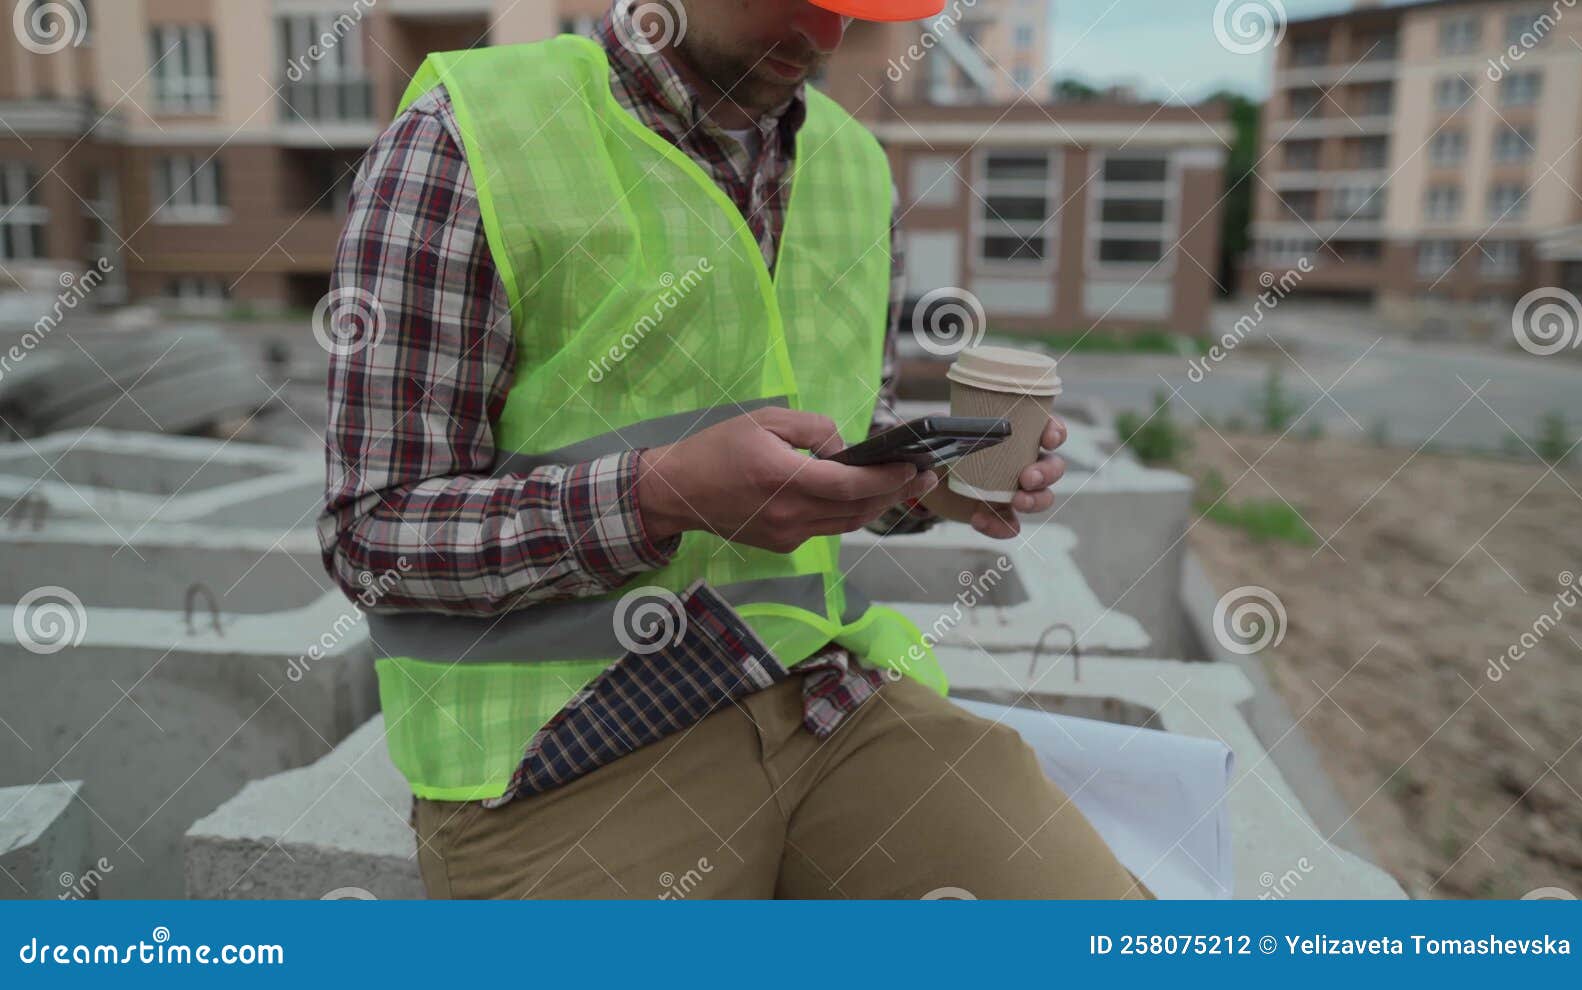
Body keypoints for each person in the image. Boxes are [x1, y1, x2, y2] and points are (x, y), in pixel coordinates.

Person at [319, 0, 1148, 899]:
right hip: (559, 759)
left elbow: (835, 445)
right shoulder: (467, 135)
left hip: (820, 696)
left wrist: (927, 483)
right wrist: (659, 497)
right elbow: (372, 534)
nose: (827, 37)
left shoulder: (850, 166)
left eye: (854, 8)